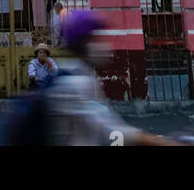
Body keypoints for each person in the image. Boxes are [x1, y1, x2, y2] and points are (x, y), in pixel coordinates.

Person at [45, 11, 169, 147]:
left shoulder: (73, 74)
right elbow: (116, 133)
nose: (104, 44)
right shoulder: (77, 83)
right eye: (96, 39)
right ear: (84, 43)